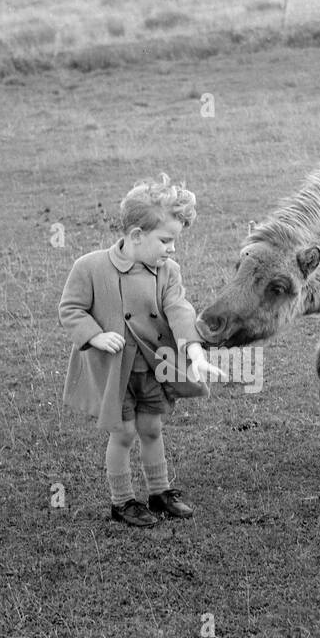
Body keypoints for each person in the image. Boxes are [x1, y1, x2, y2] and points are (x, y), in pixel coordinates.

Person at [59, 174, 223, 527]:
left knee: (151, 428)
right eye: (166, 240)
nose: (172, 249)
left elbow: (179, 309)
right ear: (136, 235)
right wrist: (95, 336)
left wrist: (194, 351)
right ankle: (123, 502)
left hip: (151, 367)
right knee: (124, 434)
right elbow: (70, 309)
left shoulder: (168, 272)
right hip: (115, 373)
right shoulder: (90, 267)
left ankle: (160, 492)